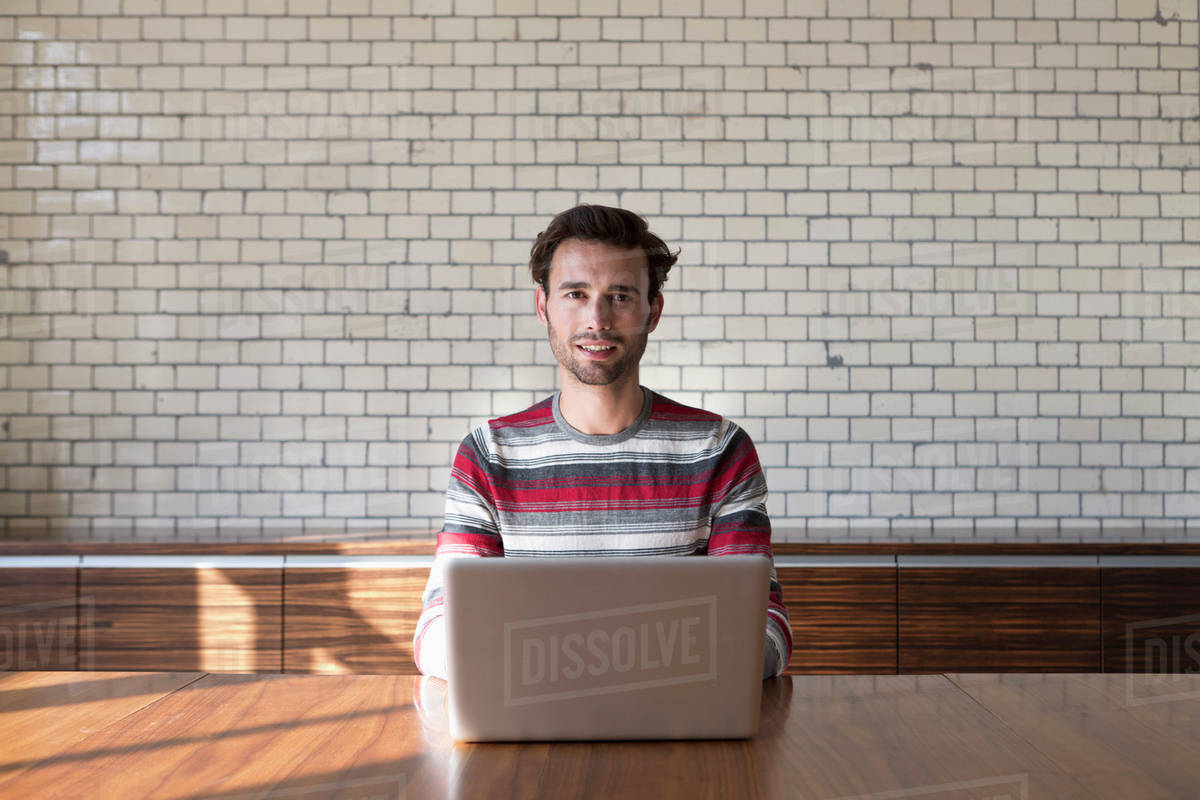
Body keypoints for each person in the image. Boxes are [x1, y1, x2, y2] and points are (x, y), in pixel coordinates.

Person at [413, 204, 792, 680]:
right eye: (575, 293)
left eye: (620, 295)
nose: (597, 319)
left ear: (652, 311)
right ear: (542, 305)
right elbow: (437, 630)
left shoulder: (718, 449)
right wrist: (635, 657)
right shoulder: (489, 454)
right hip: (533, 729)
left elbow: (765, 633)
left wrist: (566, 659)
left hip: (678, 738)